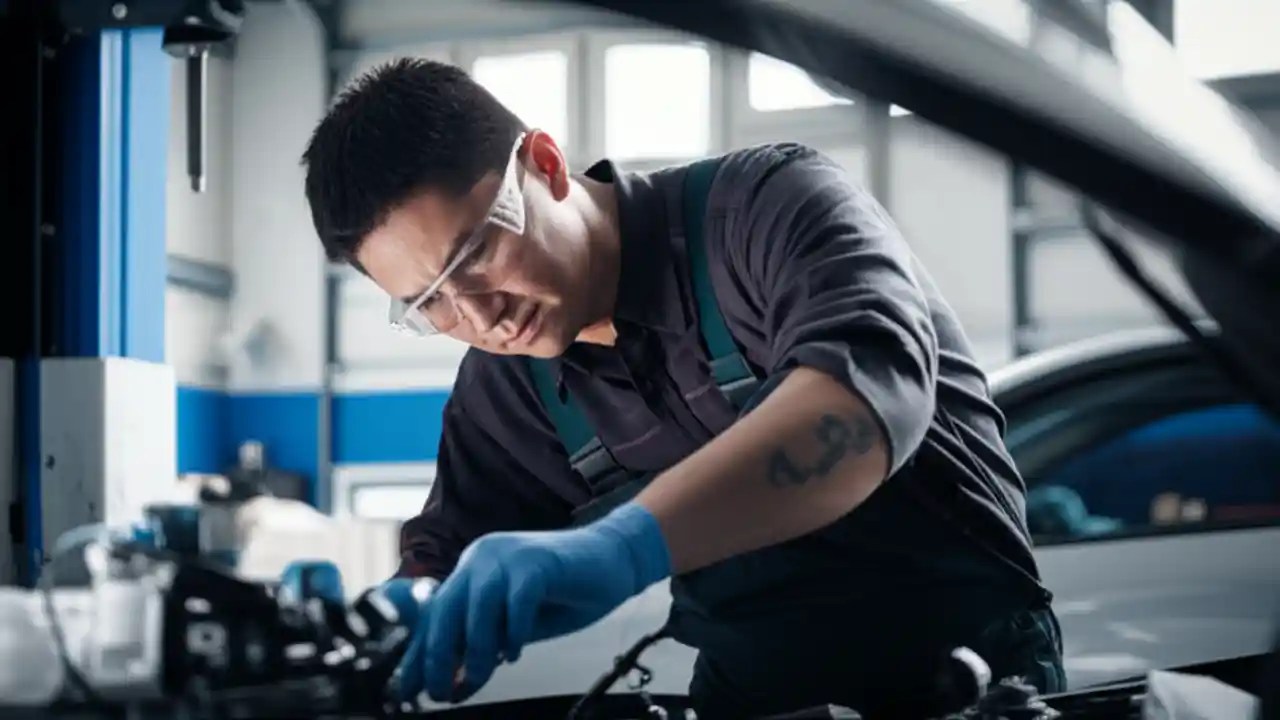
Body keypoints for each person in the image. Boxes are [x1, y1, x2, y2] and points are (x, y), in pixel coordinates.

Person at [301, 58, 1064, 718]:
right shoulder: (508, 394)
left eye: (477, 253)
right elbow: (447, 559)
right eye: (430, 301)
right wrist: (392, 618)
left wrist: (623, 548)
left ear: (545, 164)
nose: (479, 316)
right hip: (756, 698)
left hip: (968, 677)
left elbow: (858, 405)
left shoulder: (765, 212)